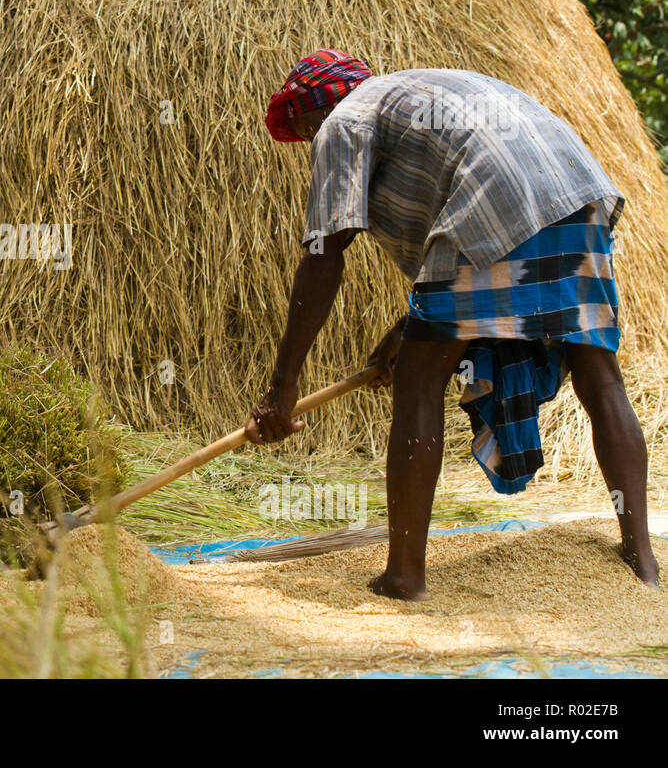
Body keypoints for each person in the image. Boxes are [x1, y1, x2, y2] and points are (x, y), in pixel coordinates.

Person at [245, 50, 659, 599]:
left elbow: (324, 254)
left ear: (316, 111)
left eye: (303, 129)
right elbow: (458, 278)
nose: (309, 143)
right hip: (576, 192)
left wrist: (282, 389)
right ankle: (644, 562)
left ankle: (405, 577)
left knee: (420, 382)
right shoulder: (418, 92)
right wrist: (410, 326)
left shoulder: (342, 122)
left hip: (496, 199)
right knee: (597, 373)